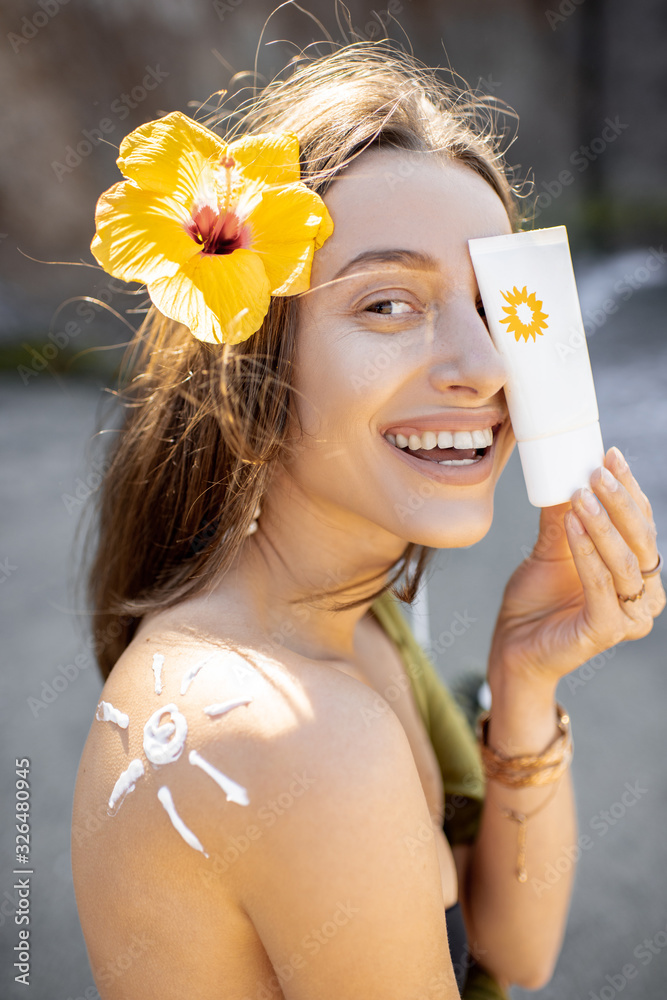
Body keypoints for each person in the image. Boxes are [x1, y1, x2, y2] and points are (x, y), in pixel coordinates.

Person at [71, 39, 665, 1000]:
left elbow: (512, 955)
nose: (483, 366)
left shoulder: (355, 615)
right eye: (389, 303)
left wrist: (522, 676)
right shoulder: (285, 733)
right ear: (252, 361)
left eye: (494, 306)